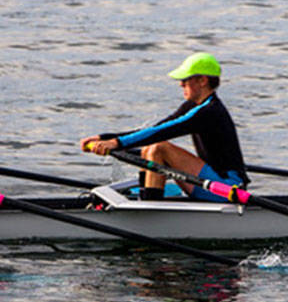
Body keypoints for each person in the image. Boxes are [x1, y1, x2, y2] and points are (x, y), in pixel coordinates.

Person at [80, 52, 247, 201]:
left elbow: (161, 132)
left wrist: (117, 143)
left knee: (159, 148)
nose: (181, 84)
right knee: (150, 146)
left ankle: (150, 210)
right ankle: (148, 197)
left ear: (202, 81)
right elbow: (156, 129)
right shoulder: (193, 106)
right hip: (209, 180)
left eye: (185, 79)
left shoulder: (209, 111)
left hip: (229, 188)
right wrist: (106, 138)